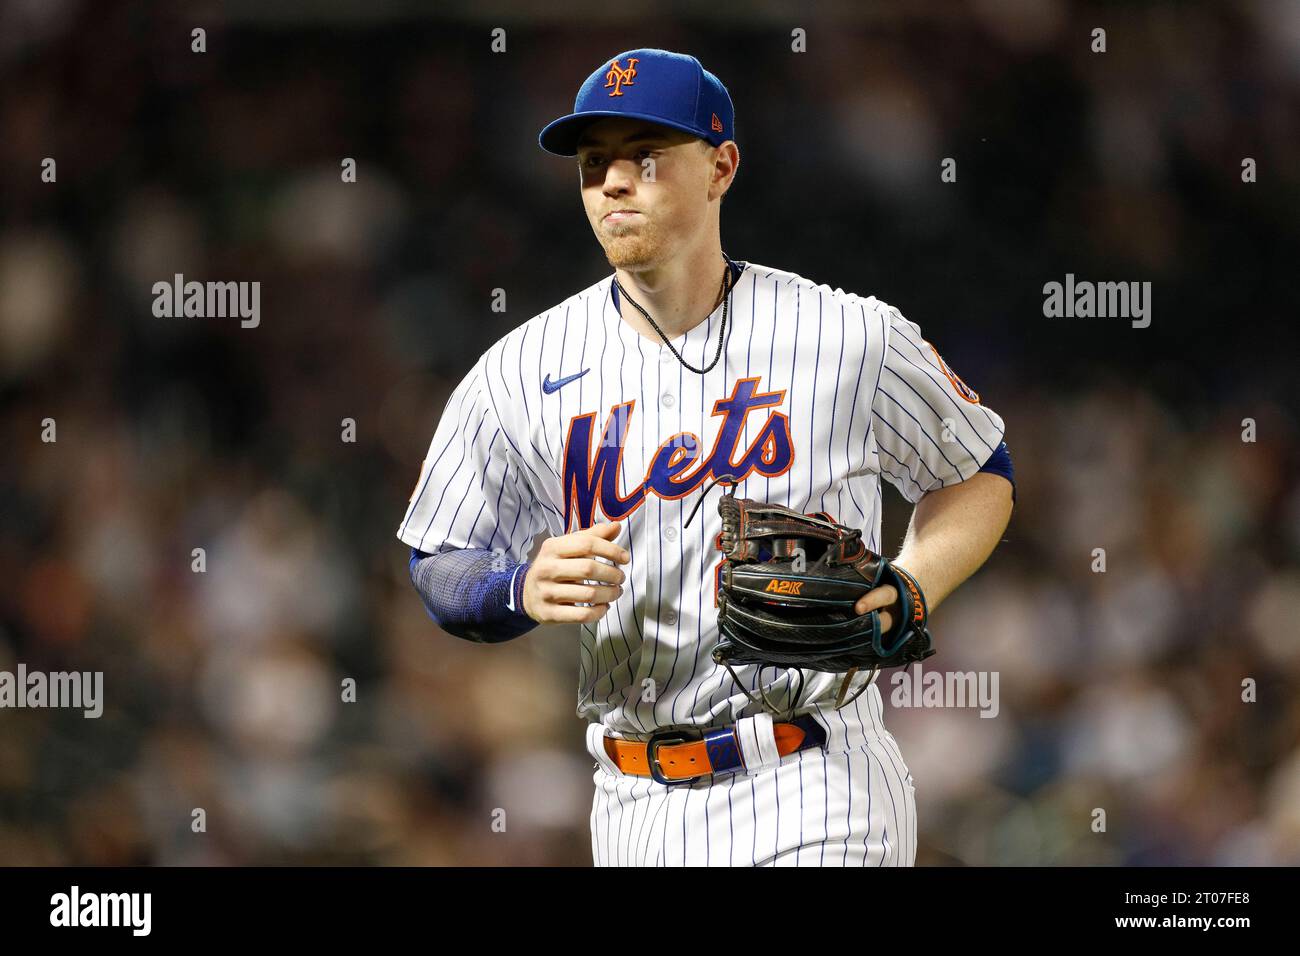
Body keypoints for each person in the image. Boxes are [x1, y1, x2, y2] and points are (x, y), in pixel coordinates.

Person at [398, 48, 1015, 866]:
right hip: (631, 803)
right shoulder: (517, 371)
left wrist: (912, 584)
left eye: (643, 156)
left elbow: (978, 469)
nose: (613, 182)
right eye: (593, 164)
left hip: (816, 777)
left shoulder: (848, 335)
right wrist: (513, 586)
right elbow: (439, 560)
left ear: (721, 166)